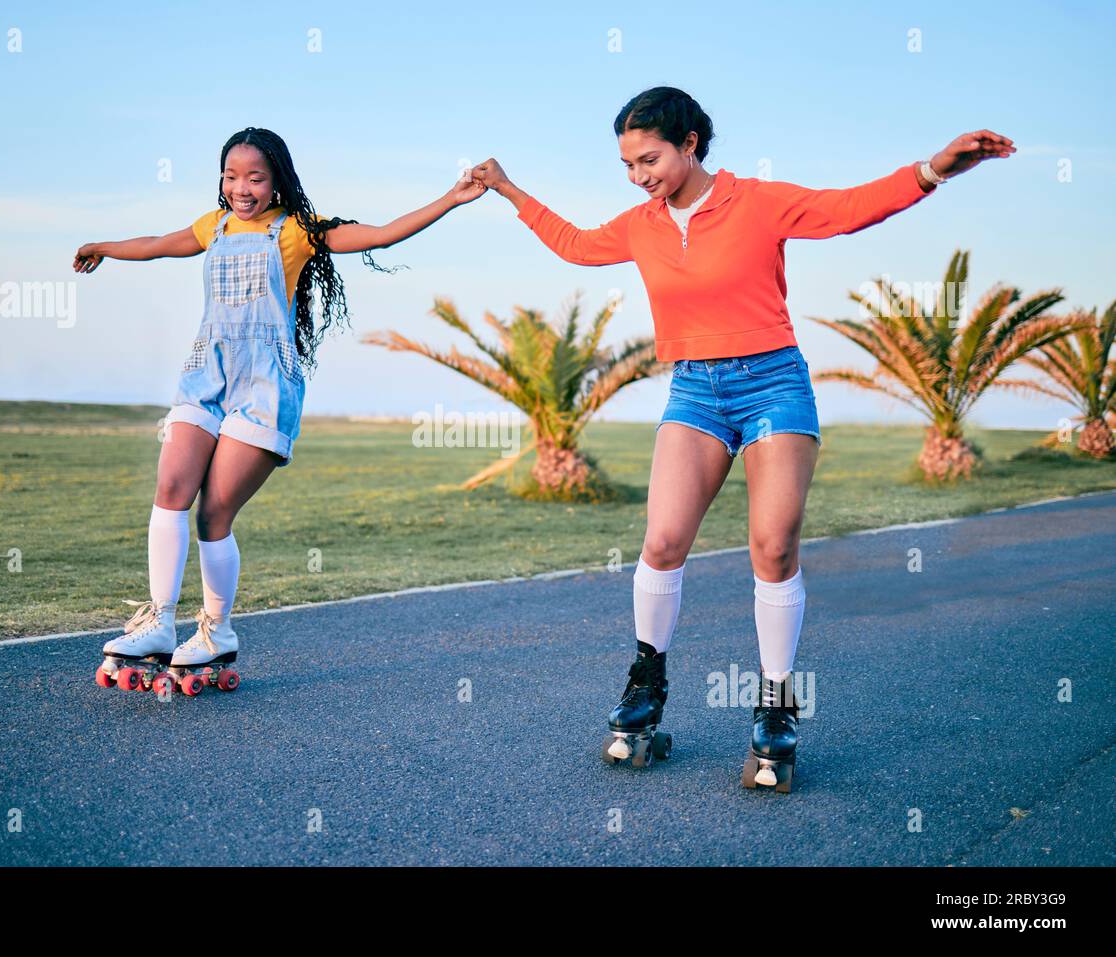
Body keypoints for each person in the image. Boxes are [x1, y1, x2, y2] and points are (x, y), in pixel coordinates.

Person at [471, 86, 1014, 786]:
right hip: (695, 389)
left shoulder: (757, 201)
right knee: (663, 541)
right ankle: (646, 687)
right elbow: (574, 245)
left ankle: (776, 705)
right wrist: (509, 188)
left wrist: (933, 170)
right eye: (628, 165)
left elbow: (847, 210)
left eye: (650, 159)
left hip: (773, 386)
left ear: (690, 143)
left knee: (773, 544)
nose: (640, 176)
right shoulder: (642, 223)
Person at [75, 127, 484, 691]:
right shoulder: (212, 226)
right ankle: (158, 622)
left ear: (277, 182)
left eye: (255, 177)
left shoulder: (296, 231)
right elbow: (156, 244)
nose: (241, 188)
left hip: (265, 387)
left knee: (213, 515)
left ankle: (215, 630)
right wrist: (103, 247)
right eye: (231, 176)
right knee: (171, 487)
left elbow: (383, 235)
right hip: (204, 376)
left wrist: (450, 198)